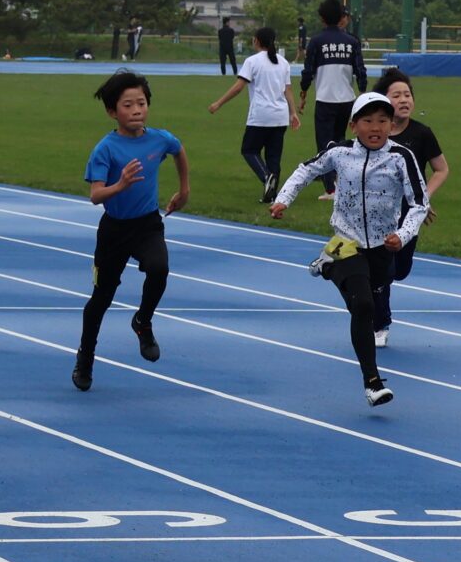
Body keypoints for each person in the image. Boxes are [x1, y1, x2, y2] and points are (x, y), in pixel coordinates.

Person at [270, 93, 428, 407]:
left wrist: (403, 234)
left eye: (383, 121)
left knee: (372, 296)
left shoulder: (401, 157)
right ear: (354, 125)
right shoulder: (339, 152)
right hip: (348, 241)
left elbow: (420, 203)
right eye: (368, 121)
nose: (376, 127)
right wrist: (283, 199)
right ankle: (372, 382)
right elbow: (306, 170)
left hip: (383, 247)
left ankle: (327, 265)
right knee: (364, 307)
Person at [73, 70, 189, 392]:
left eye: (141, 103)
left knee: (159, 267)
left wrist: (184, 190)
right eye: (128, 105)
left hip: (147, 224)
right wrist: (120, 184)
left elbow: (178, 151)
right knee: (101, 299)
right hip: (114, 231)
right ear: (113, 112)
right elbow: (95, 195)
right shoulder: (105, 150)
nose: (136, 110)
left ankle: (143, 320)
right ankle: (85, 358)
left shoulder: (160, 139)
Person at [370, 69, 450, 347]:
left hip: (409, 214)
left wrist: (423, 199)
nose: (404, 100)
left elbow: (441, 169)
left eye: (407, 95)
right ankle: (380, 323)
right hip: (378, 214)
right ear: (384, 101)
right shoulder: (375, 132)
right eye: (397, 95)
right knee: (384, 270)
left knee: (400, 270)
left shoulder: (422, 134)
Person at [207, 26, 301, 203]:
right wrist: (293, 113)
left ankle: (267, 178)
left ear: (256, 41)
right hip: (280, 117)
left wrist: (218, 103)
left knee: (249, 150)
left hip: (261, 116)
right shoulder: (283, 62)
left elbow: (238, 87)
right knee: (273, 156)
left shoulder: (252, 61)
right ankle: (271, 196)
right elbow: (287, 90)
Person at [299, 0, 366, 200]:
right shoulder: (352, 41)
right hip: (347, 100)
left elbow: (308, 70)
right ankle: (341, 182)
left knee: (324, 145)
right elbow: (360, 71)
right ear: (341, 17)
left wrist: (304, 91)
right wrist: (363, 93)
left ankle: (330, 189)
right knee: (339, 141)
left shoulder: (317, 42)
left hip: (326, 99)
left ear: (322, 18)